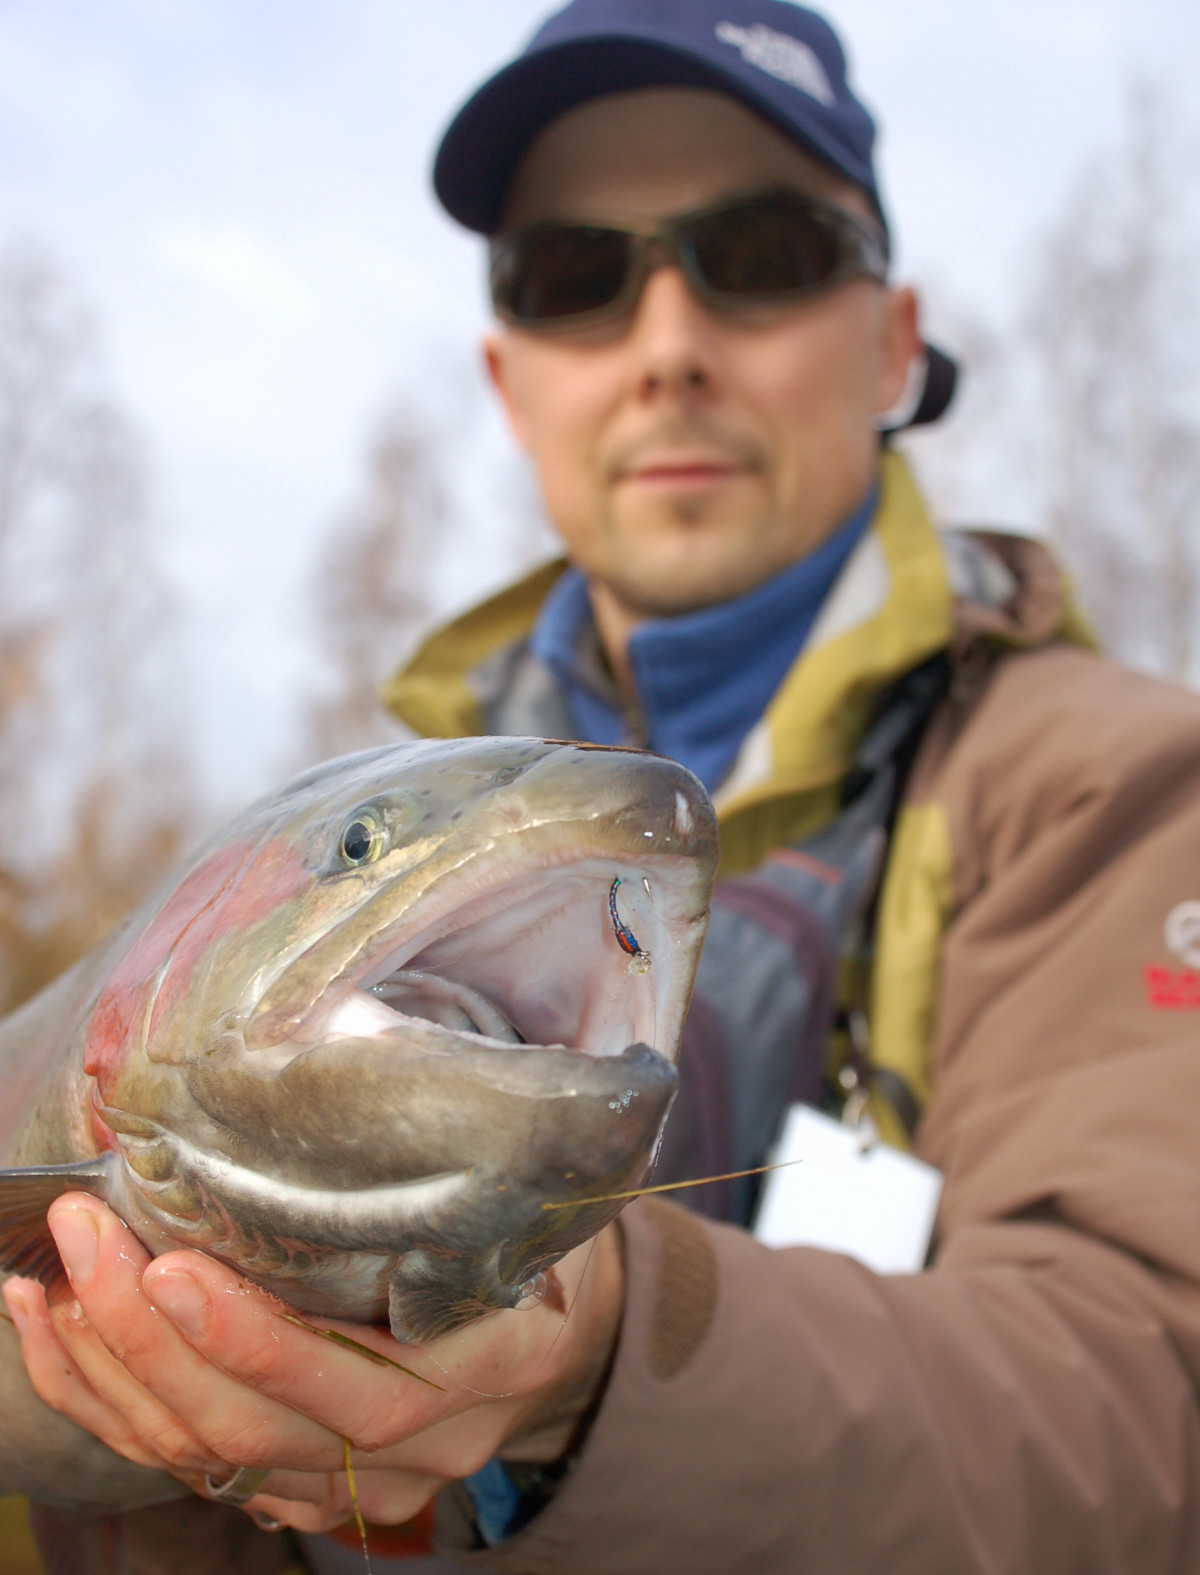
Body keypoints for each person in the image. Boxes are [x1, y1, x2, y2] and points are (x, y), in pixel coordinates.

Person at [8, 2, 1200, 1571]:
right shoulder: (306, 850)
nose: (668, 347)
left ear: (897, 342)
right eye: (576, 276)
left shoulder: (1120, 792)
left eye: (763, 252)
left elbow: (1142, 1414)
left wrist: (605, 1357)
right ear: (509, 379)